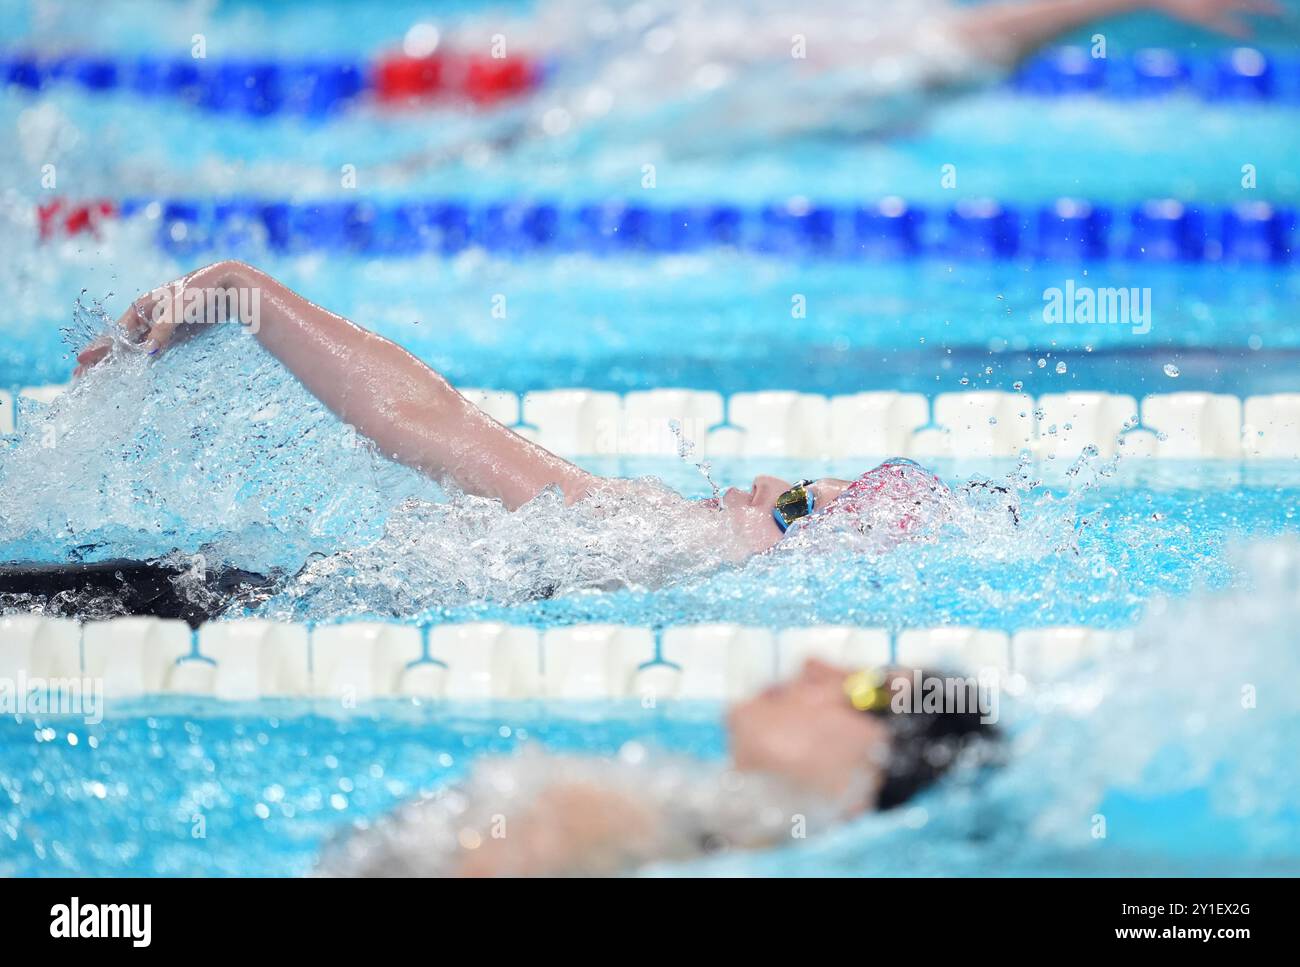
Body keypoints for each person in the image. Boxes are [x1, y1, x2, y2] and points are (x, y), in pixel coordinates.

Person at [75, 260, 955, 566]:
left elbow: (430, 422)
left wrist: (248, 293)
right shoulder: (657, 541)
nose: (765, 481)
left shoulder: (672, 545)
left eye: (795, 507)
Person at [316, 658, 1001, 877]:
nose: (819, 662)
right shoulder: (703, 826)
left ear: (873, 781)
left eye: (870, 691)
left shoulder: (653, 827)